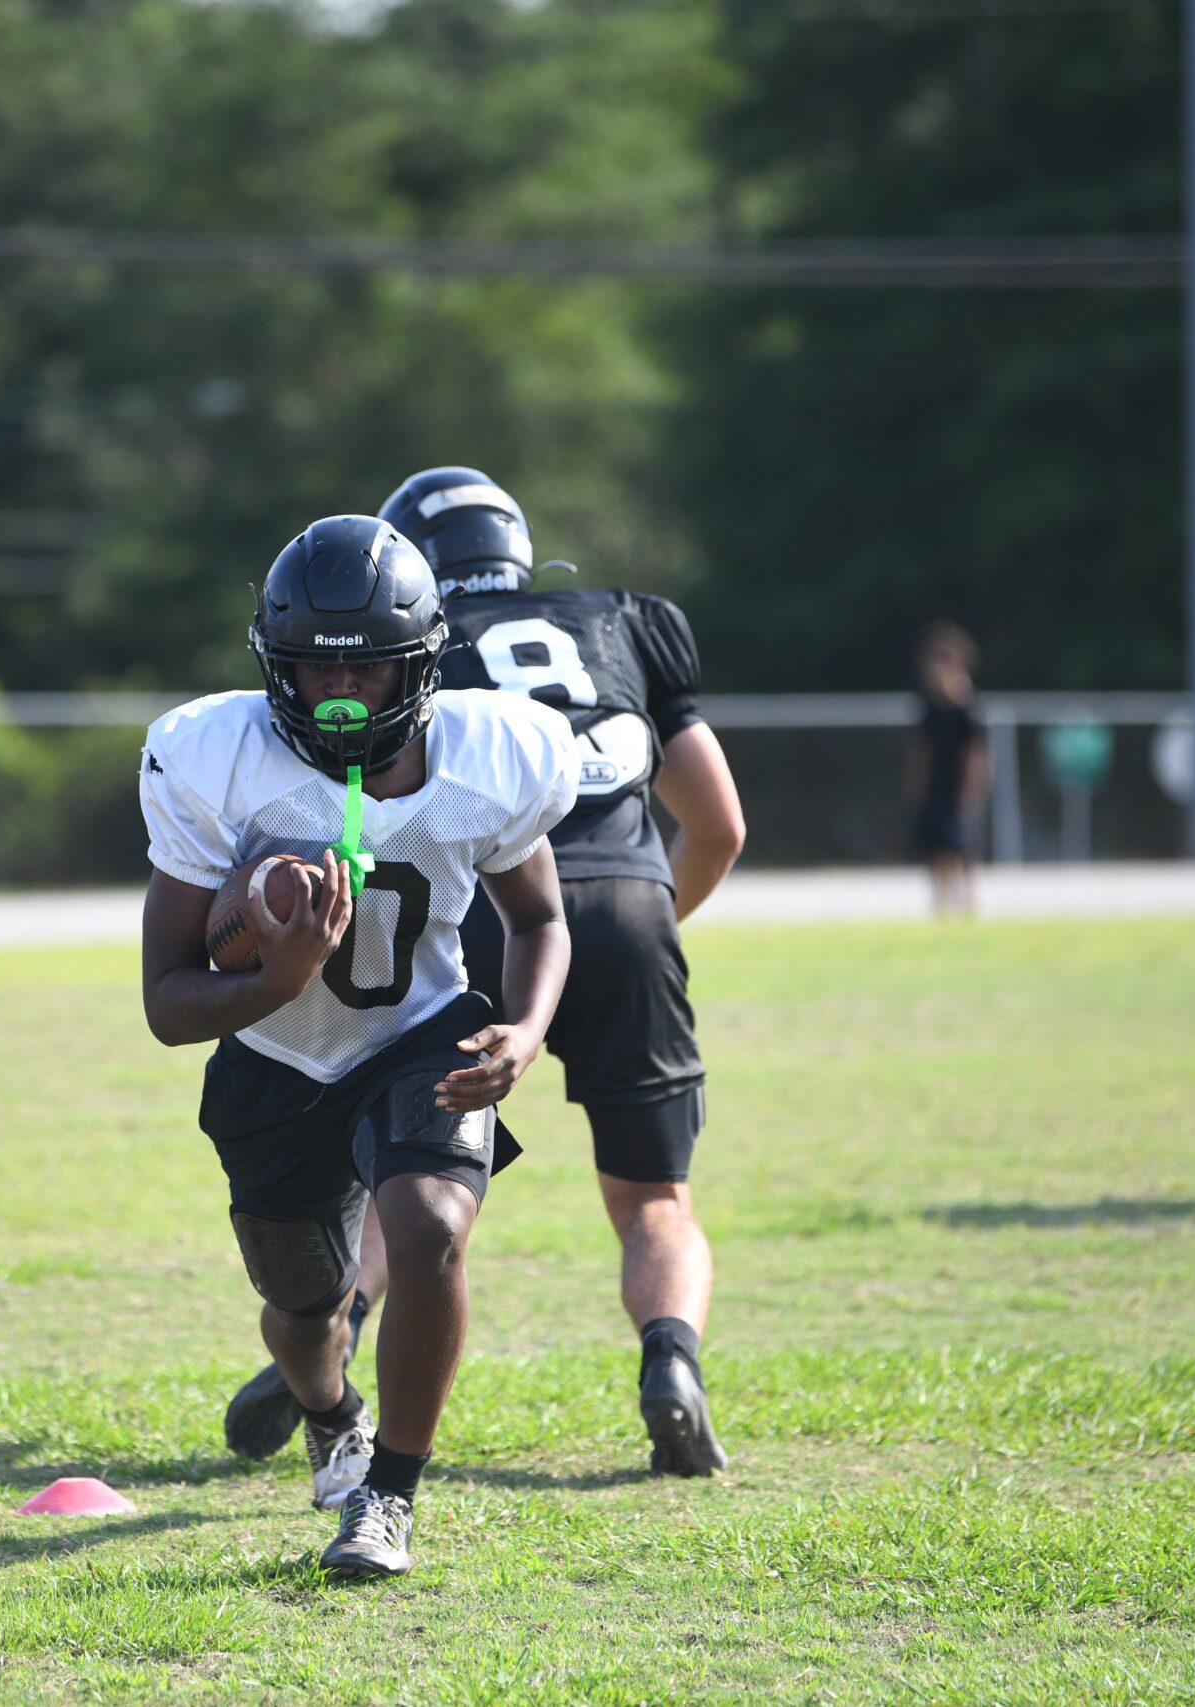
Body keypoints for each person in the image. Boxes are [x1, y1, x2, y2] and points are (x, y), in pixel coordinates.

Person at [218, 468, 748, 1480]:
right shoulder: (626, 619)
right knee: (652, 1201)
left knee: (410, 1169)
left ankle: (332, 1334)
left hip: (484, 920)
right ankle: (670, 1362)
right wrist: (646, 929)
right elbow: (718, 824)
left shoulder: (395, 642)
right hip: (628, 905)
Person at [140, 515, 576, 1579]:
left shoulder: (494, 754)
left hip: (423, 1034)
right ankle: (331, 1412)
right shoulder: (215, 757)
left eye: (371, 671)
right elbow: (163, 999)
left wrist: (524, 1026)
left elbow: (540, 923)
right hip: (274, 1061)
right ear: (270, 662)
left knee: (427, 1231)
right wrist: (272, 976)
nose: (340, 696)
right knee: (303, 1320)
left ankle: (387, 1495)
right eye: (308, 668)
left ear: (421, 661)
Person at [908, 621, 989, 916]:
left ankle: (968, 902)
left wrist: (971, 791)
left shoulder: (966, 709)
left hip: (958, 790)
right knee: (937, 849)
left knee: (961, 849)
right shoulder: (929, 709)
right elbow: (921, 752)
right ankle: (942, 903)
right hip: (935, 789)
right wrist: (916, 787)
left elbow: (976, 754)